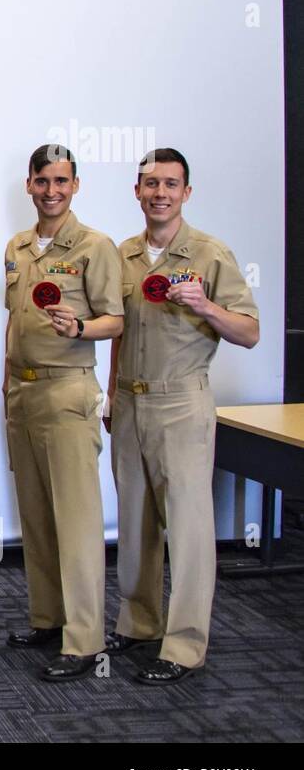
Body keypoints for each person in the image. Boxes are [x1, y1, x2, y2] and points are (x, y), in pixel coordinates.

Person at [106, 148, 259, 684]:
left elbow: (249, 332)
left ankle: (184, 644)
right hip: (129, 400)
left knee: (189, 530)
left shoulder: (209, 254)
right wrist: (110, 396)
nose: (160, 193)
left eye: (170, 184)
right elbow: (118, 334)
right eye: (150, 184)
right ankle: (139, 621)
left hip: (181, 402)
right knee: (134, 521)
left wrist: (207, 308)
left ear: (186, 193)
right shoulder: (121, 255)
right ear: (137, 191)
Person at [4, 144, 123, 682]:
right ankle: (48, 618)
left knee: (75, 520)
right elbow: (14, 321)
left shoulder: (95, 246)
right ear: (28, 184)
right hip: (24, 393)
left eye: (62, 181)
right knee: (36, 515)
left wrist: (80, 327)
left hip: (67, 392)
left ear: (76, 186)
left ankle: (84, 639)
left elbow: (115, 320)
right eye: (42, 181)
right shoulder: (18, 247)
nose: (52, 191)